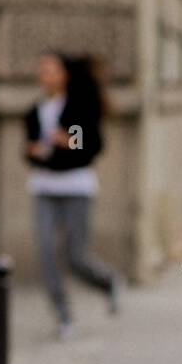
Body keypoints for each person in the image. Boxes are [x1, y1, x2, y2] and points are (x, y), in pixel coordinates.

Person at [24, 50, 119, 338]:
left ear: (64, 74)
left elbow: (92, 145)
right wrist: (33, 151)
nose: (45, 75)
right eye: (42, 70)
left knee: (76, 255)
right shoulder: (35, 111)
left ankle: (106, 281)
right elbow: (30, 151)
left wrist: (69, 141)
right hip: (44, 187)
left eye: (51, 69)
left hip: (76, 186)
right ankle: (64, 316)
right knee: (46, 251)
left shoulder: (80, 108)